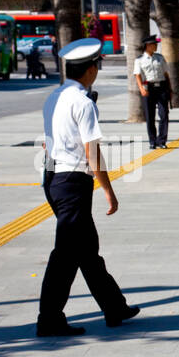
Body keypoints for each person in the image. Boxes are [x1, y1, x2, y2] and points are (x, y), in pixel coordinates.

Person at [36, 38, 139, 336]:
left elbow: (47, 141)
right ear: (92, 69)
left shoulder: (54, 97)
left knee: (86, 249)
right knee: (66, 255)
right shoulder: (83, 103)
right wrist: (108, 190)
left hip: (54, 178)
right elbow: (92, 151)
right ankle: (49, 318)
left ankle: (114, 306)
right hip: (72, 182)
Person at [134, 35, 170, 149]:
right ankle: (152, 141)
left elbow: (166, 74)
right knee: (150, 116)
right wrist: (141, 89)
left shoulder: (160, 58)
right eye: (154, 44)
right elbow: (137, 75)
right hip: (148, 88)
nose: (156, 46)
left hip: (162, 87)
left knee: (164, 115)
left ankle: (162, 141)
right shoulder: (139, 60)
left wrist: (169, 89)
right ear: (148, 46)